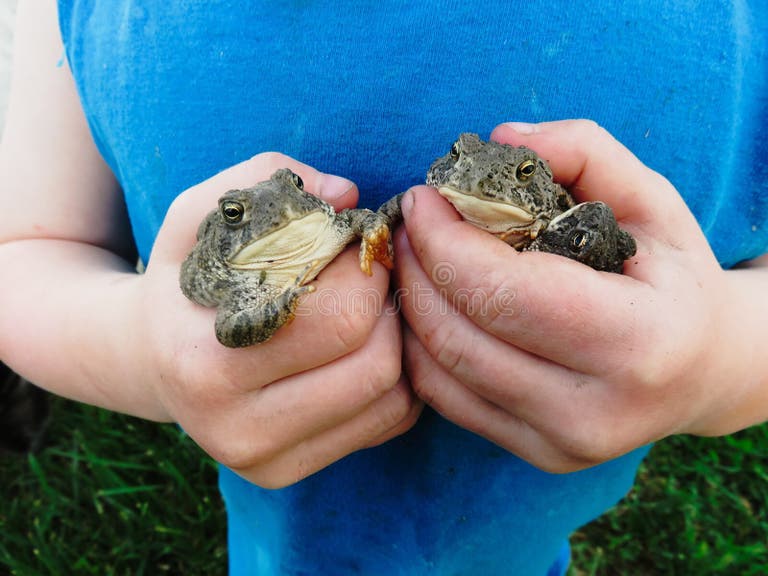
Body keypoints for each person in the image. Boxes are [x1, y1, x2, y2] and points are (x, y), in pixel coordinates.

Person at [0, 1, 766, 574]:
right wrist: (142, 352)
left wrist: (715, 359)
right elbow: (26, 251)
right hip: (280, 502)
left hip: (536, 495)